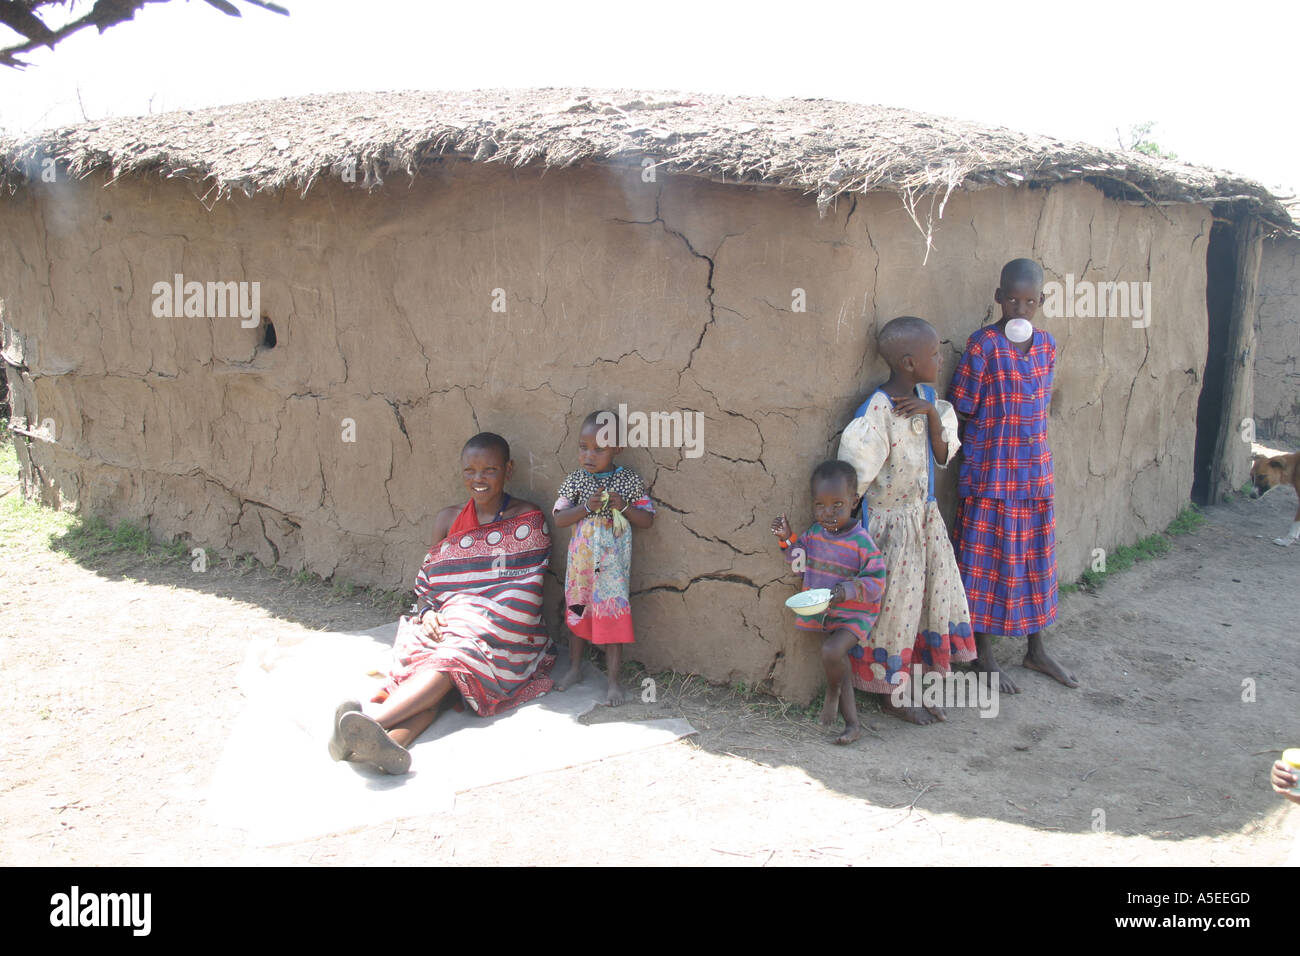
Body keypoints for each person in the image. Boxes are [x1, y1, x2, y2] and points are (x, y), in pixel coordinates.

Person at [327, 432, 553, 775]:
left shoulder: (527, 518)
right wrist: (429, 610)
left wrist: (485, 617)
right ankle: (391, 745)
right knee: (445, 682)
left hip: (503, 630)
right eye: (470, 471)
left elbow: (525, 588)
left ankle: (369, 722)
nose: (478, 479)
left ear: (508, 470)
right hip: (451, 618)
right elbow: (431, 581)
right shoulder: (447, 520)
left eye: (489, 470)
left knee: (454, 658)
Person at [947, 258, 1078, 693]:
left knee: (1034, 561)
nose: (1020, 309)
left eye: (1030, 301)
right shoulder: (982, 345)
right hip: (990, 475)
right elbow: (961, 407)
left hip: (1034, 474)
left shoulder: (1046, 346)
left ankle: (1035, 649)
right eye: (1013, 299)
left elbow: (1040, 405)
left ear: (1040, 302)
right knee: (983, 562)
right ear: (998, 298)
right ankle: (981, 656)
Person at [837, 315, 975, 724]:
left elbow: (941, 454)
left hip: (924, 523)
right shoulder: (876, 413)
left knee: (925, 603)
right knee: (896, 609)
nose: (940, 359)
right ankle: (891, 692)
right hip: (890, 530)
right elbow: (855, 478)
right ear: (909, 363)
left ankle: (915, 683)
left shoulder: (929, 398)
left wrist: (931, 414)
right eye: (934, 354)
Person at [771, 460, 887, 744]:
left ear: (854, 502)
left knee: (832, 651)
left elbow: (877, 581)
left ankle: (839, 703)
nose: (828, 513)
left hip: (857, 613)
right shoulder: (814, 534)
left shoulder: (861, 541)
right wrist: (787, 539)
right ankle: (849, 718)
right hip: (828, 612)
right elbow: (800, 563)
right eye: (820, 505)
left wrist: (847, 590)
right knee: (835, 657)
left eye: (837, 504)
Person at [553, 410, 655, 706]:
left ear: (618, 449)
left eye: (599, 449)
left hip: (612, 570)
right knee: (577, 613)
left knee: (613, 621)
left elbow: (647, 520)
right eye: (583, 447)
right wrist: (586, 507)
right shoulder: (576, 481)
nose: (589, 455)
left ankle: (613, 682)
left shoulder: (628, 481)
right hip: (581, 568)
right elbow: (559, 518)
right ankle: (574, 669)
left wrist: (623, 508)